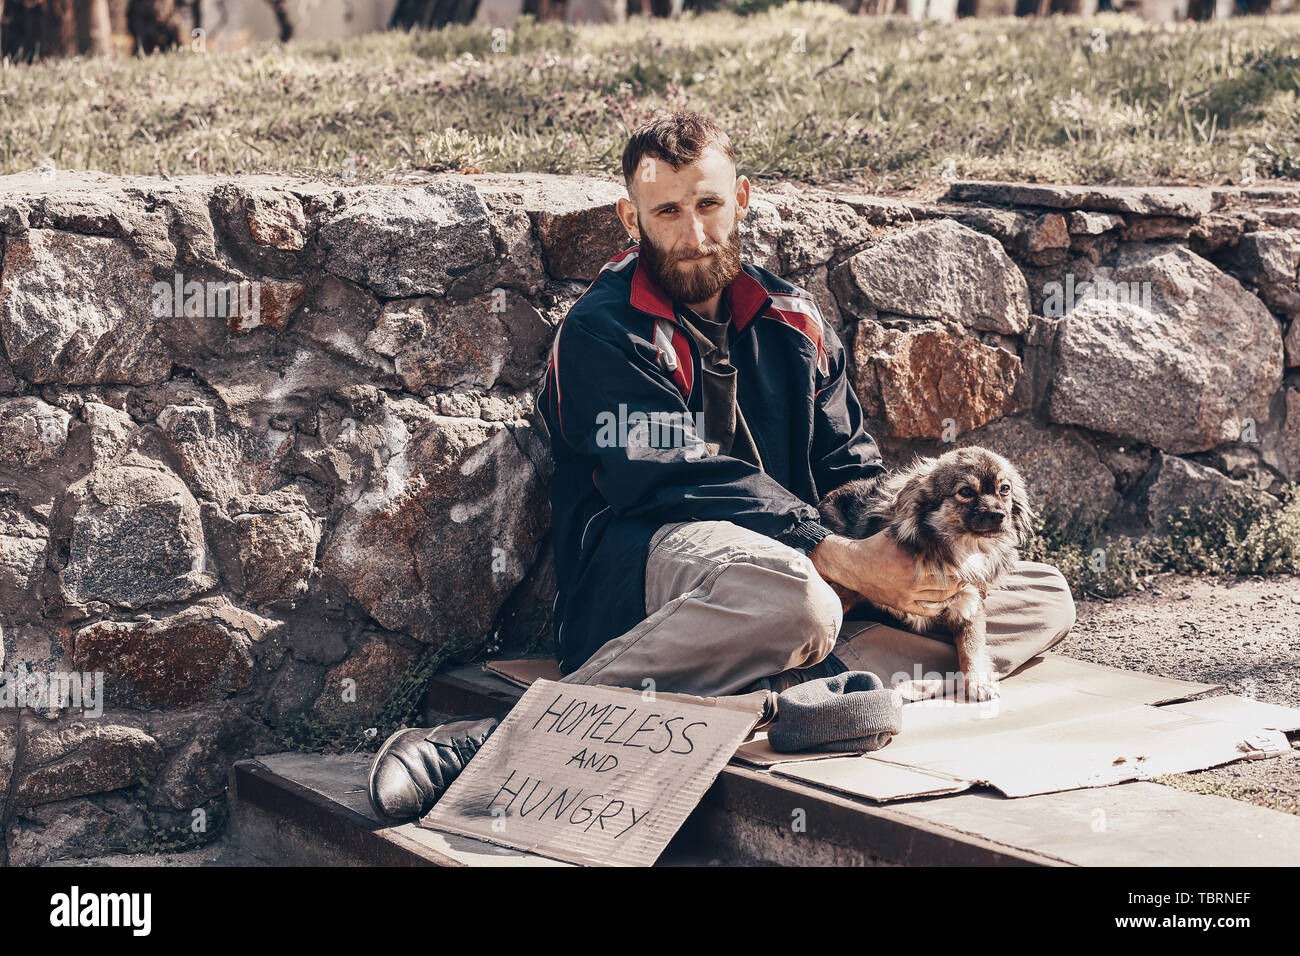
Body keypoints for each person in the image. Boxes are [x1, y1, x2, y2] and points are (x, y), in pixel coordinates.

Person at [367, 109, 1076, 820]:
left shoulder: (793, 317)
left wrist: (890, 551)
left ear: (740, 198)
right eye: (667, 211)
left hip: (812, 578)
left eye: (707, 203)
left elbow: (849, 469)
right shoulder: (601, 330)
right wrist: (834, 557)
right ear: (631, 217)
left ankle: (787, 697)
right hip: (658, 573)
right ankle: (499, 743)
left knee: (1034, 596)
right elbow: (671, 476)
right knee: (797, 602)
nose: (694, 232)